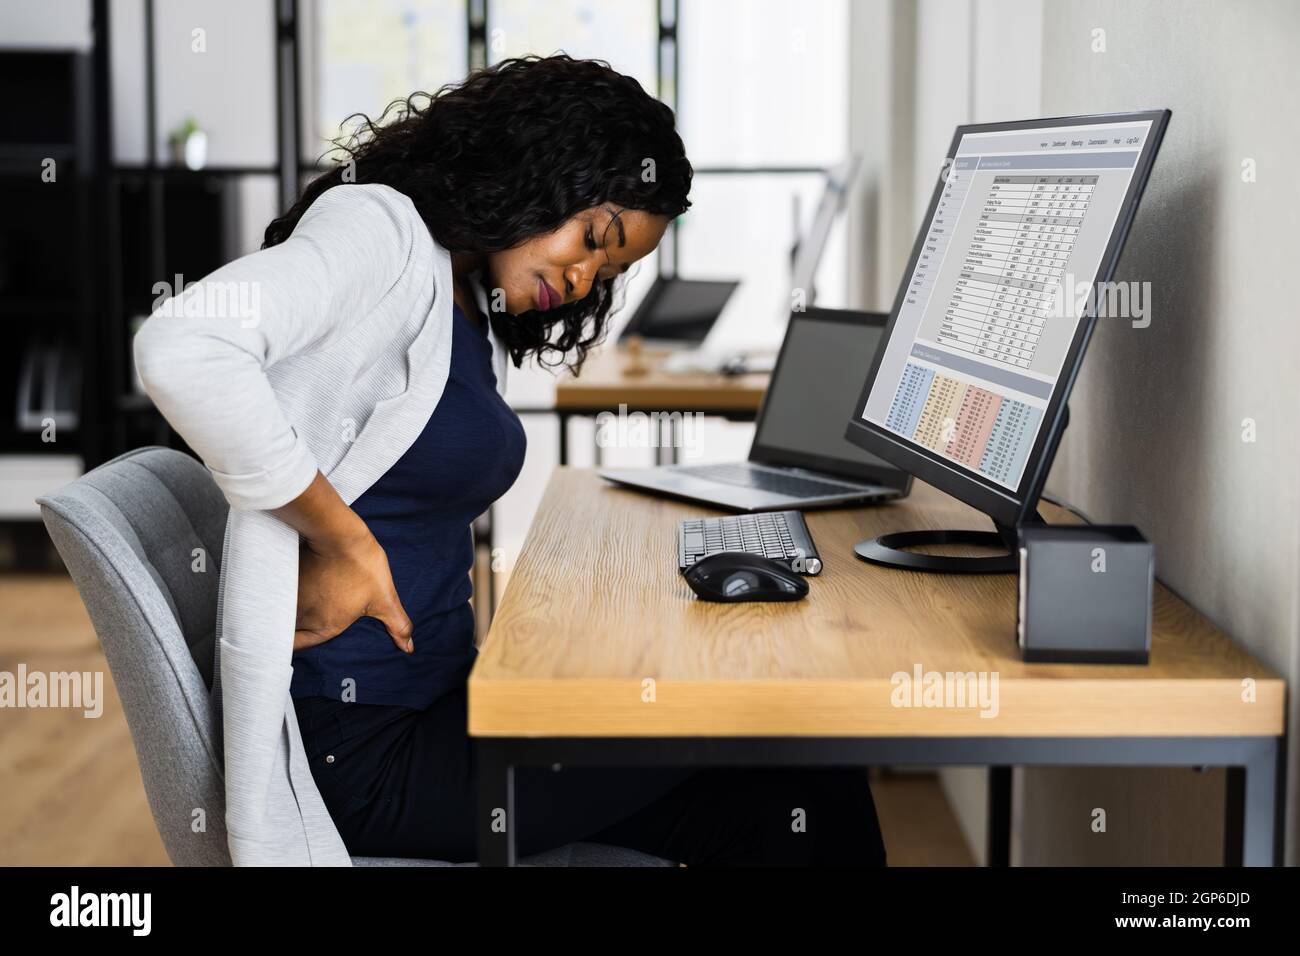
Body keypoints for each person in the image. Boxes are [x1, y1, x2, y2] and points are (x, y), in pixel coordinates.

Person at [135, 54, 886, 866]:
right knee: (773, 737)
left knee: (787, 792)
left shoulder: (459, 287)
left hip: (446, 704)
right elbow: (186, 345)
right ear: (538, 171)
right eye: (593, 237)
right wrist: (338, 539)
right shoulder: (380, 231)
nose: (585, 275)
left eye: (611, 268)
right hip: (360, 756)